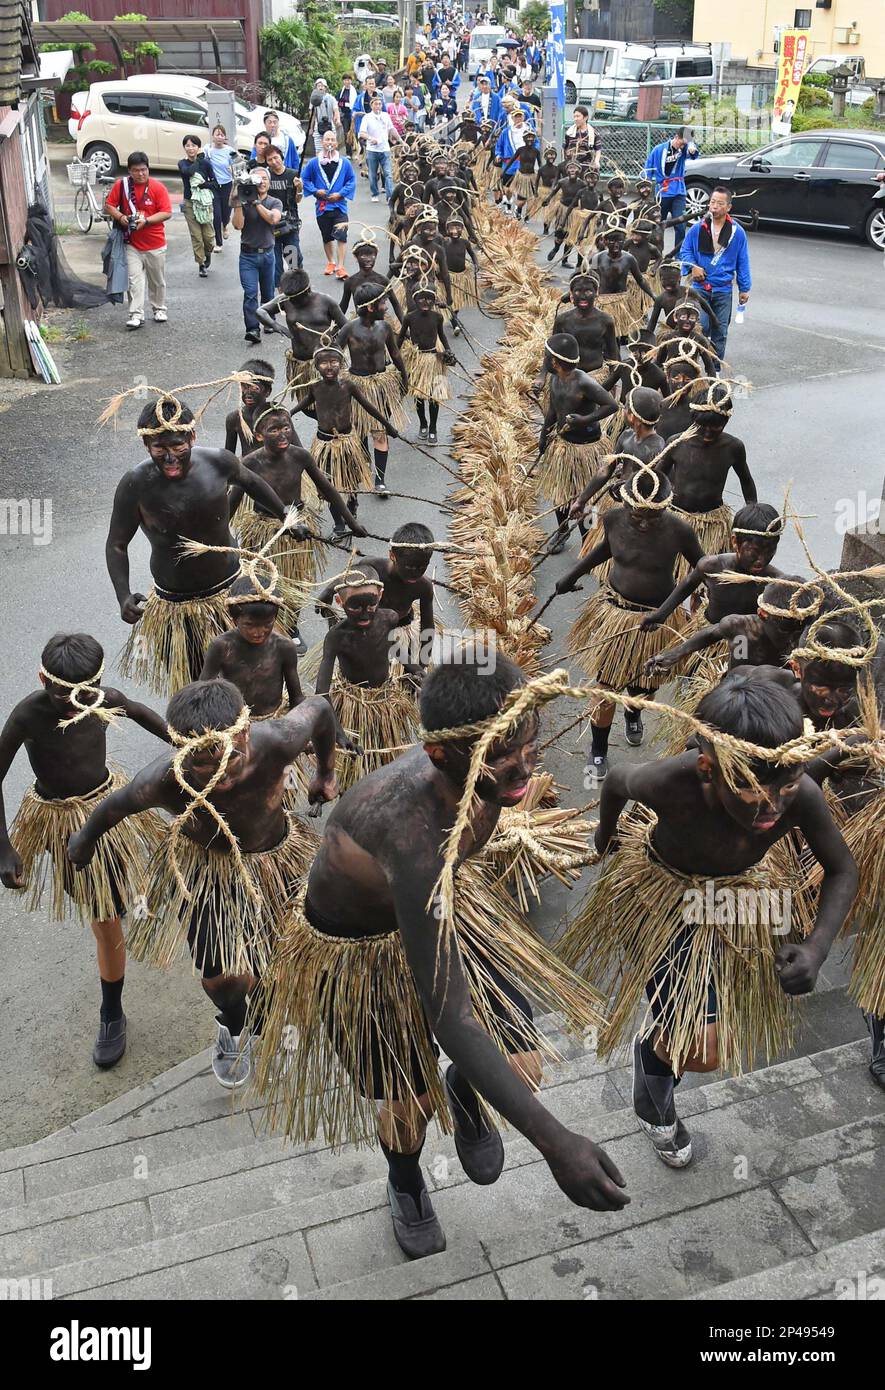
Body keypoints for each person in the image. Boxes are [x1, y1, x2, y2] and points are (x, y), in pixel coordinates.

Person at [253, 654, 627, 1258]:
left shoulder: (483, 777)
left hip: (444, 910)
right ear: (440, 756)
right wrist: (557, 1143)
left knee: (524, 1064)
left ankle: (467, 1088)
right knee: (409, 1103)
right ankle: (405, 1181)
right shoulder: (409, 832)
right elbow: (449, 1016)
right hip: (359, 954)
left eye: (528, 751)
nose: (522, 771)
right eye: (500, 760)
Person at [560, 674, 857, 1169]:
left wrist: (816, 947)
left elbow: (843, 869)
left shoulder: (799, 790)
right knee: (702, 1052)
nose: (770, 807)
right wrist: (604, 838)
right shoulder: (670, 784)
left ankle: (666, 1039)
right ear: (707, 769)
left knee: (704, 1033)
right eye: (748, 790)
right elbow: (614, 782)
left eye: (783, 788)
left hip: (740, 900)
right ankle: (655, 1063)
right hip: (665, 901)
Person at [67, 679, 338, 1090]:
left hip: (278, 860)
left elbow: (320, 708)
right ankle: (233, 1021)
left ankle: (268, 1010)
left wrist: (325, 771)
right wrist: (83, 844)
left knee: (279, 952)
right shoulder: (161, 781)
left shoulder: (279, 740)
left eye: (224, 761)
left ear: (243, 732)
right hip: (209, 873)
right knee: (218, 974)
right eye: (201, 765)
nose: (217, 777)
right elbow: (111, 808)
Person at [0, 633, 169, 1067]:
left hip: (108, 810)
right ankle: (112, 1010)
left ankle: (126, 909)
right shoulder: (28, 716)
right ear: (43, 679)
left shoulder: (103, 698)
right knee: (105, 916)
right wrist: (3, 848)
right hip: (63, 825)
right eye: (63, 694)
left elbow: (138, 712)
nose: (76, 703)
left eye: (85, 692)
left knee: (122, 890)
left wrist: (183, 742)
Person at [107, 392, 298, 697]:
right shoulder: (135, 484)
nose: (169, 456)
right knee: (198, 682)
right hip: (176, 605)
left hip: (231, 593)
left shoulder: (220, 462)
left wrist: (285, 515)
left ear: (192, 437)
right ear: (146, 445)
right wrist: (123, 595)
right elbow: (117, 545)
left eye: (177, 446)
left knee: (248, 672)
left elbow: (252, 482)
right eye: (159, 448)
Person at [556, 467, 702, 777]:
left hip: (656, 618)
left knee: (642, 687)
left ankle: (633, 711)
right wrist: (571, 575)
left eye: (653, 515)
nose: (645, 521)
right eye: (638, 514)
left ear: (665, 506)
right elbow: (606, 549)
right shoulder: (612, 520)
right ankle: (598, 748)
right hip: (616, 613)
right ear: (626, 504)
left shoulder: (680, 530)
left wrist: (668, 610)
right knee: (606, 686)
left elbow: (699, 569)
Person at [231, 406, 364, 644]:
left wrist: (351, 522)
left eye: (286, 428)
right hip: (263, 530)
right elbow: (231, 503)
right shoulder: (250, 463)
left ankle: (291, 628)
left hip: (298, 529)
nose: (283, 434)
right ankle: (268, 625)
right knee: (262, 580)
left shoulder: (300, 456)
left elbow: (327, 489)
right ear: (259, 435)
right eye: (274, 429)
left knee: (295, 581)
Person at [314, 565, 421, 794]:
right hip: (353, 703)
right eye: (355, 606)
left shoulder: (389, 618)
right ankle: (348, 791)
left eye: (371, 604)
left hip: (384, 699)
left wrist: (414, 668)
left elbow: (391, 645)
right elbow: (322, 692)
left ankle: (385, 788)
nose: (365, 613)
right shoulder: (336, 637)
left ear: (380, 596)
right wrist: (338, 732)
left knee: (384, 752)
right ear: (340, 603)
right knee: (354, 756)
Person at [335, 281, 409, 496]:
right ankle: (363, 466)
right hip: (357, 387)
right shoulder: (349, 329)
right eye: (383, 303)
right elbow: (335, 355)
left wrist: (404, 377)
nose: (386, 306)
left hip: (380, 387)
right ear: (370, 307)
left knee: (379, 432)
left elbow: (395, 354)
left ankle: (380, 479)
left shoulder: (385, 327)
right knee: (358, 433)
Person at [680, 185, 751, 361]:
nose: (714, 207)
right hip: (700, 287)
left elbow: (743, 261)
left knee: (721, 331)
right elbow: (685, 250)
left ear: (728, 207)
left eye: (720, 203)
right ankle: (692, 367)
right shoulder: (698, 228)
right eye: (712, 202)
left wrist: (744, 288)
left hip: (723, 289)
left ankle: (715, 370)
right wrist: (692, 266)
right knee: (698, 328)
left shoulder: (737, 232)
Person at [103, 150, 172, 332]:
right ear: (129, 171)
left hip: (155, 243)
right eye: (136, 170)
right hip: (131, 242)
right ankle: (136, 314)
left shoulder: (158, 188)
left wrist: (147, 221)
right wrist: (120, 217)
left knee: (157, 280)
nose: (140, 174)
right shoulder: (122, 185)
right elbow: (109, 205)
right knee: (134, 280)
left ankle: (159, 308)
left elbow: (166, 212)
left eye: (143, 170)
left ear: (148, 169)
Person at [257, 265, 345, 399]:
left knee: (330, 402)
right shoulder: (286, 300)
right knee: (306, 405)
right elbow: (261, 311)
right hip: (301, 364)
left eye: (297, 299)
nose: (293, 302)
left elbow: (346, 326)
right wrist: (275, 325)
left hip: (325, 363)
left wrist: (334, 345)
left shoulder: (326, 301)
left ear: (308, 290)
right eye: (290, 298)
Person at [231, 166, 282, 345]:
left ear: (269, 183)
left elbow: (273, 219)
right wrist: (238, 201)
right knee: (251, 293)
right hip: (248, 256)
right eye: (257, 179)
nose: (261, 182)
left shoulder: (275, 202)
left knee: (268, 292)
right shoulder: (244, 201)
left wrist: (256, 202)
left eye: (264, 179)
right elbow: (238, 225)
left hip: (268, 255)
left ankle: (268, 321)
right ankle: (253, 329)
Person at [300, 129, 357, 279]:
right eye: (327, 139)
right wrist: (316, 191)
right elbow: (304, 179)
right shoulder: (313, 163)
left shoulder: (344, 162)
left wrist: (341, 193)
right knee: (327, 236)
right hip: (322, 207)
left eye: (332, 140)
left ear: (337, 144)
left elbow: (352, 180)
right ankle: (331, 262)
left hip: (340, 206)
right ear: (322, 142)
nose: (330, 142)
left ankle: (341, 266)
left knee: (341, 235)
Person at [643, 128, 699, 251]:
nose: (682, 145)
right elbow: (648, 169)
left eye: (685, 143)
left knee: (680, 225)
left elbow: (694, 154)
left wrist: (691, 146)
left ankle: (678, 255)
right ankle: (656, 252)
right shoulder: (659, 149)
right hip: (662, 192)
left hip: (679, 191)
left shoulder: (684, 150)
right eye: (682, 142)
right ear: (676, 137)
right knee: (658, 224)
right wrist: (645, 183)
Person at [177, 135, 218, 279]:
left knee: (208, 236)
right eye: (187, 145)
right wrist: (198, 159)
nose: (190, 148)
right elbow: (189, 172)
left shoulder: (206, 164)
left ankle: (208, 253)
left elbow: (214, 183)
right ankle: (201, 264)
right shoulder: (183, 163)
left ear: (198, 147)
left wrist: (204, 185)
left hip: (205, 203)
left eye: (193, 145)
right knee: (196, 236)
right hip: (190, 203)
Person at [264, 144, 303, 285]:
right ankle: (280, 293)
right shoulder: (265, 175)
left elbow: (298, 200)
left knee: (292, 257)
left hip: (289, 223)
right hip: (271, 223)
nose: (274, 162)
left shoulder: (293, 174)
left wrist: (299, 188)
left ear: (282, 157)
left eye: (276, 158)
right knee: (275, 263)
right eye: (270, 160)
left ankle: (298, 287)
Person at [361, 93, 402, 203]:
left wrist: (401, 141)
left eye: (380, 104)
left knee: (388, 174)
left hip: (385, 149)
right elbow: (362, 133)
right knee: (373, 174)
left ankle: (390, 196)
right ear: (372, 105)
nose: (378, 106)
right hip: (372, 150)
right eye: (376, 104)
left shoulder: (385, 116)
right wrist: (370, 138)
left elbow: (391, 129)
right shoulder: (367, 117)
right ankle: (374, 193)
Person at [206, 124, 236, 249]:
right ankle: (218, 243)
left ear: (225, 137)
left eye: (222, 135)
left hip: (227, 185)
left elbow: (239, 166)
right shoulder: (208, 150)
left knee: (226, 213)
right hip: (214, 186)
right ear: (213, 136)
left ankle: (225, 226)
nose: (219, 137)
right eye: (217, 134)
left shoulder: (230, 151)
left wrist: (232, 169)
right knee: (217, 215)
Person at [308, 80, 341, 157]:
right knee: (319, 151)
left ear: (325, 87)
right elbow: (312, 115)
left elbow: (336, 110)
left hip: (330, 125)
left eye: (322, 86)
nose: (320, 88)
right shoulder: (313, 99)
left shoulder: (331, 98)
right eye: (319, 86)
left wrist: (338, 119)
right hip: (318, 126)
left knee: (332, 149)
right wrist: (311, 128)